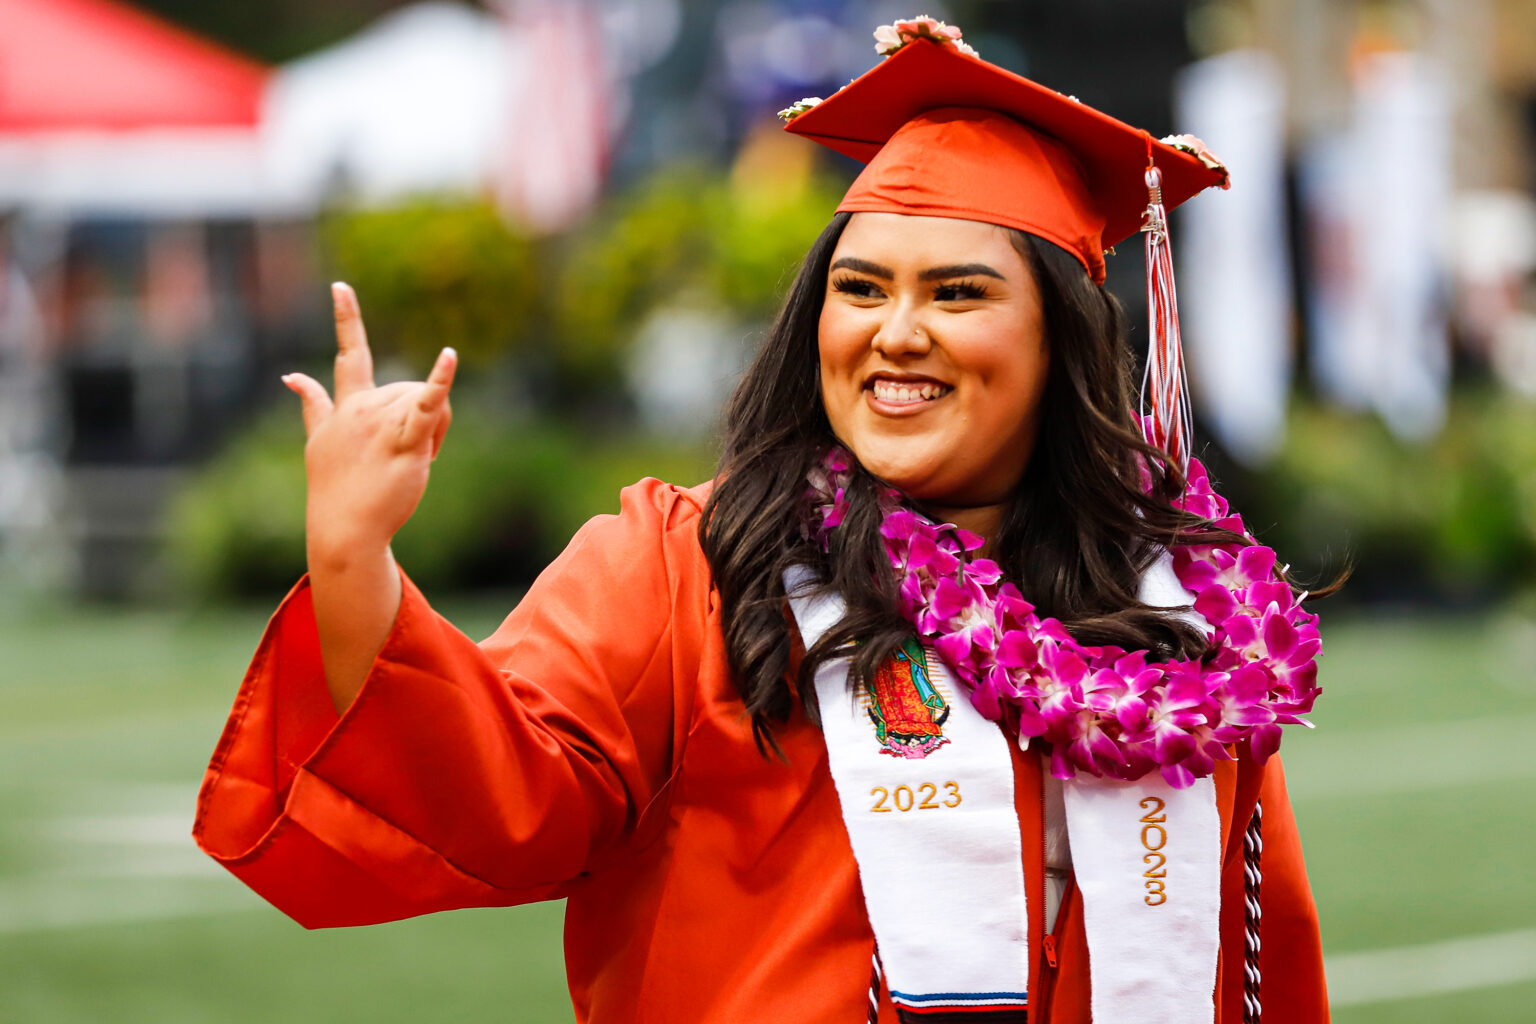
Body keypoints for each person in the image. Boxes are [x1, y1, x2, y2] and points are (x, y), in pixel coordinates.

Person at [194, 18, 1328, 1024]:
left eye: (958, 292)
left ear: (1061, 343)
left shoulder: (1175, 623)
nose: (896, 332)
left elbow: (1262, 968)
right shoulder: (690, 566)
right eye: (862, 287)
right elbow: (502, 793)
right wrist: (354, 557)